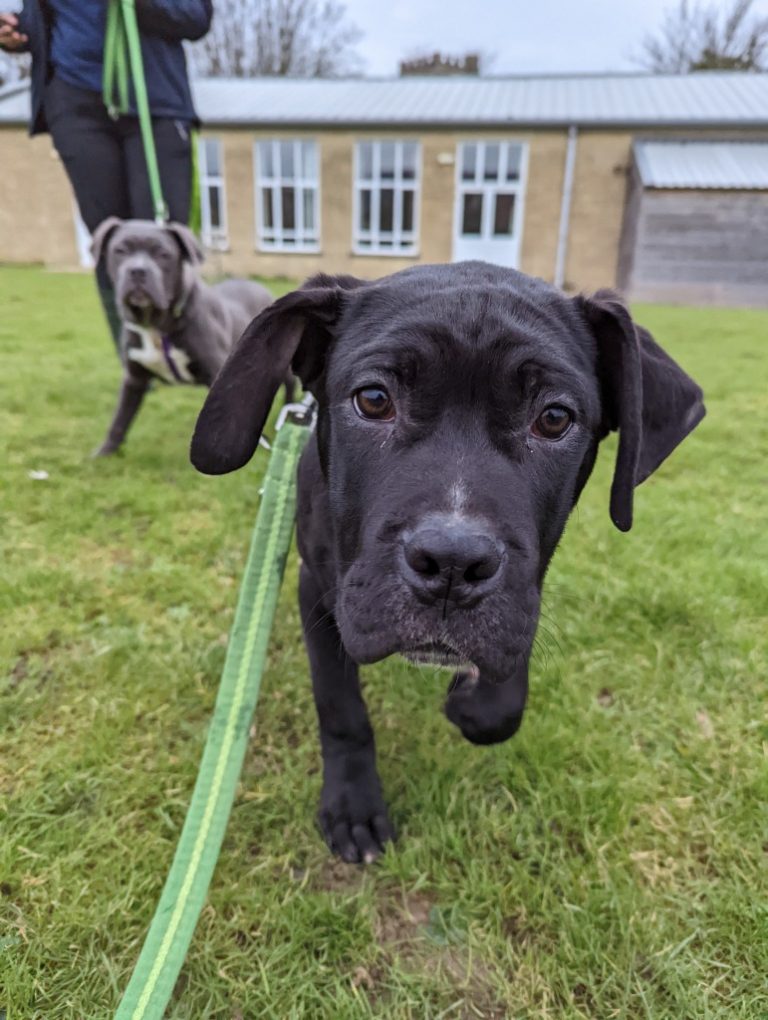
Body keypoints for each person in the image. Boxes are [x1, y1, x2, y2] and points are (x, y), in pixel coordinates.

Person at [0, 2, 212, 348]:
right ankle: (136, 360)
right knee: (109, 240)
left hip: (154, 101)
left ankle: (190, 352)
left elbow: (195, 18)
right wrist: (17, 32)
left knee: (164, 240)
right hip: (74, 102)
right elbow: (50, 18)